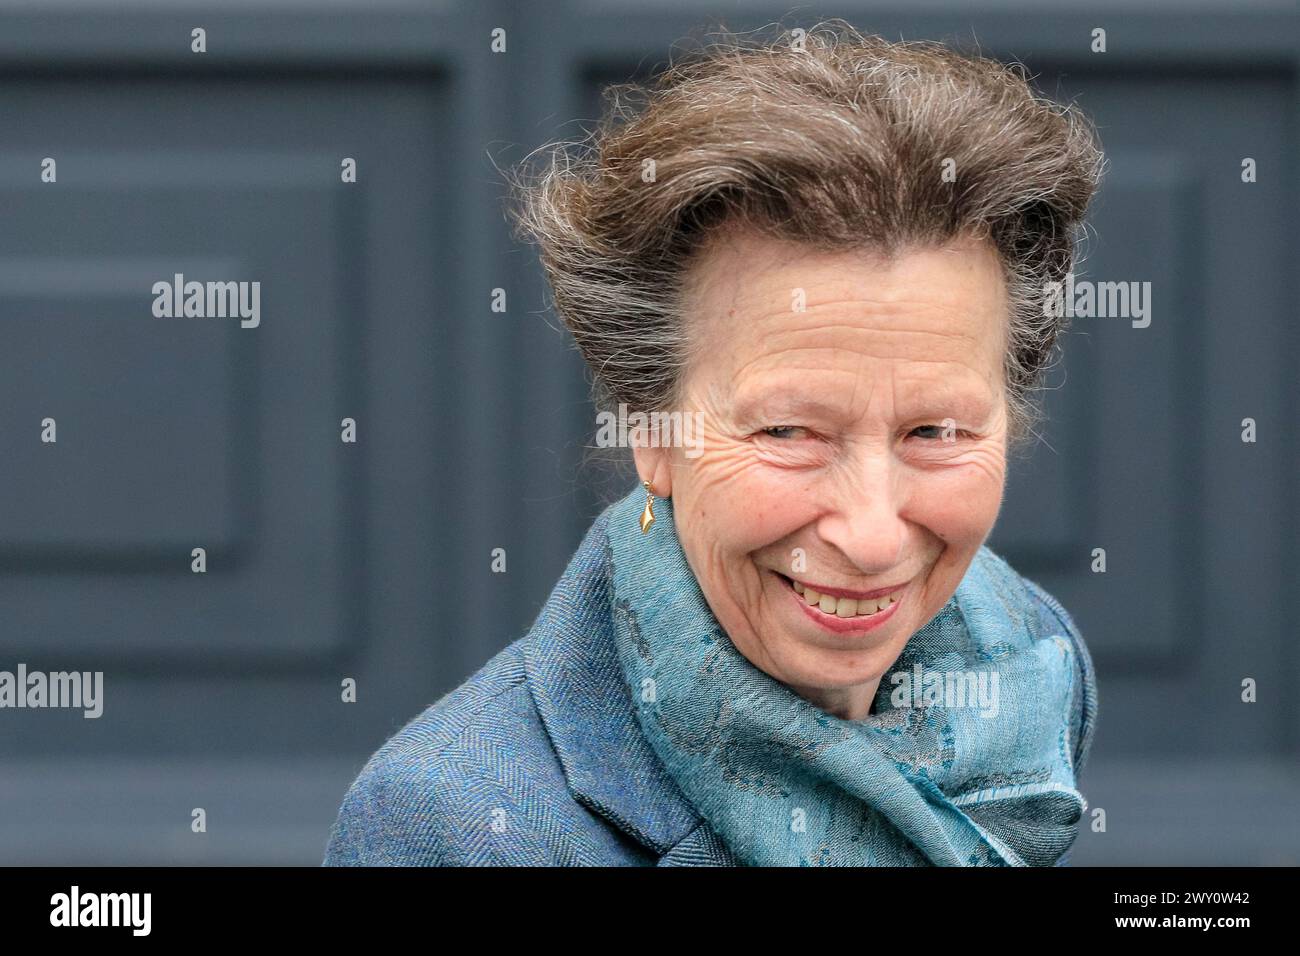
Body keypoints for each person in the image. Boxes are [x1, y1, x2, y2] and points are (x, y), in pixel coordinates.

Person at [324, 19, 1102, 866]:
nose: (873, 536)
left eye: (934, 431)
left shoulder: (1026, 656)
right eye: (790, 432)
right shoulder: (463, 824)